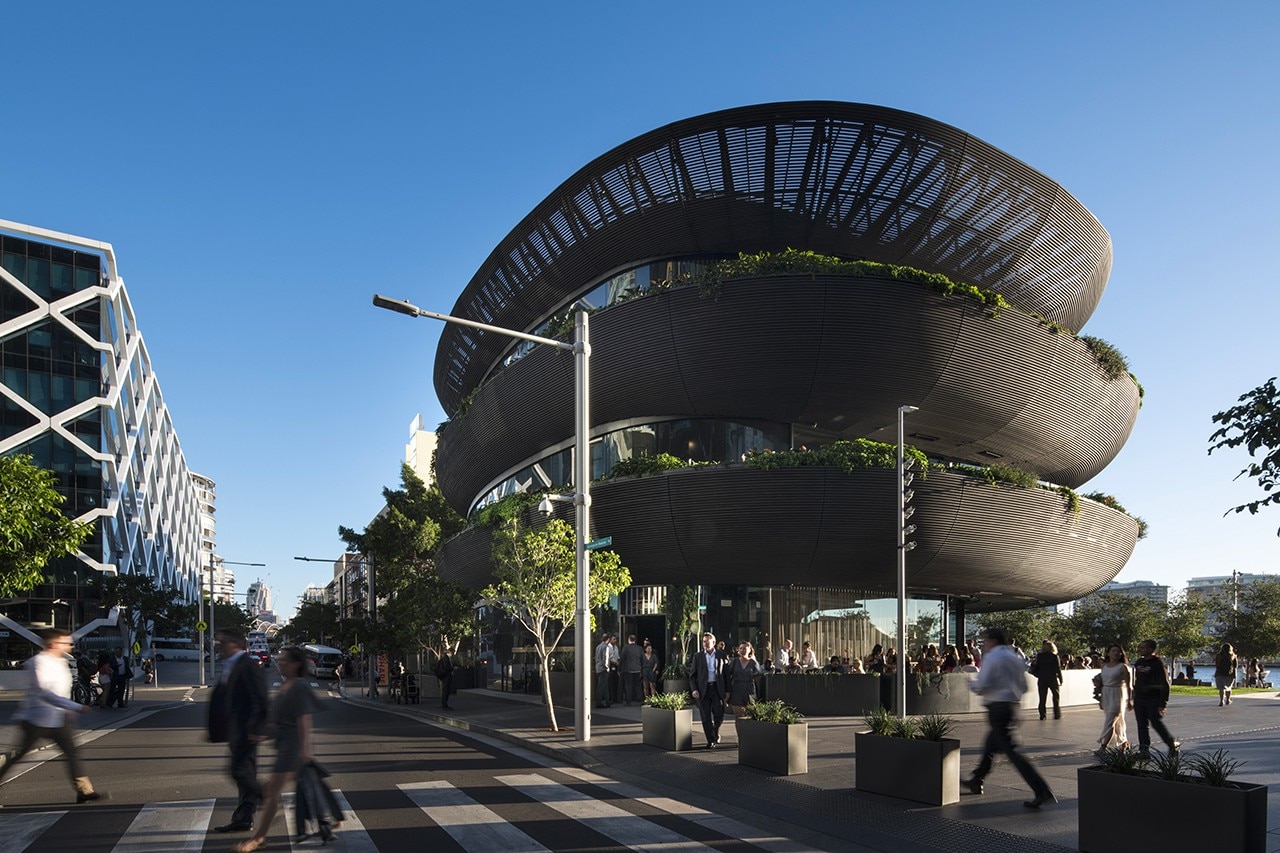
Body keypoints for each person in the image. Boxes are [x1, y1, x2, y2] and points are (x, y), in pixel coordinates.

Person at [233, 646, 332, 852]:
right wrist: (263, 735)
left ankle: (259, 837)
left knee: (271, 792)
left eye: (285, 660)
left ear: (296, 664)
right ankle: (328, 817)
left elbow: (304, 718)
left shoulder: (299, 687)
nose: (280, 662)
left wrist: (305, 749)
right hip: (285, 745)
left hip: (293, 748)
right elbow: (279, 720)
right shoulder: (285, 685)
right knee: (305, 786)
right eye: (280, 659)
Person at [0, 629, 102, 803]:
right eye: (67, 643)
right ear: (54, 644)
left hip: (58, 719)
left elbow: (61, 691)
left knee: (72, 753)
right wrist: (75, 706)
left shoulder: (61, 662)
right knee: (20, 755)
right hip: (36, 719)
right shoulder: (37, 663)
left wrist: (68, 710)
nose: (71, 646)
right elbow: (44, 693)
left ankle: (84, 790)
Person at [963, 627, 1056, 809]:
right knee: (991, 744)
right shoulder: (1015, 657)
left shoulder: (992, 657)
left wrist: (971, 684)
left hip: (998, 707)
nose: (984, 644)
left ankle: (1041, 790)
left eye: (986, 640)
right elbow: (1024, 685)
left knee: (1013, 752)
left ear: (993, 641)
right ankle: (977, 779)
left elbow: (982, 685)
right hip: (1012, 706)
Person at [208, 626, 269, 834]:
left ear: (233, 644)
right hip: (235, 730)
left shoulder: (248, 666)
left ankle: (267, 797)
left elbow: (261, 699)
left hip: (246, 731)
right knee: (245, 775)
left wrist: (256, 727)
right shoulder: (231, 665)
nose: (219, 647)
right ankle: (243, 818)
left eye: (222, 643)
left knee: (239, 771)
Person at [1131, 639, 1179, 756]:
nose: (1140, 649)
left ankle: (1171, 745)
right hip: (1140, 699)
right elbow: (1137, 680)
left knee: (1156, 723)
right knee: (1141, 724)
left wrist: (1163, 703)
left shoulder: (1157, 663)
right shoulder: (1139, 662)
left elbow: (1164, 683)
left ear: (1150, 649)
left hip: (1153, 699)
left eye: (1143, 648)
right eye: (1140, 647)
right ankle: (1144, 750)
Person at [688, 632, 727, 748]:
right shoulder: (698, 656)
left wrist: (728, 691)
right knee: (705, 717)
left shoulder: (721, 655)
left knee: (719, 714)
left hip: (717, 689)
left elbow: (726, 674)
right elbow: (692, 676)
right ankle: (710, 740)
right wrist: (694, 689)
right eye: (704, 641)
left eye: (707, 641)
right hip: (702, 690)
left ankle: (715, 732)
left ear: (713, 643)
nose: (705, 643)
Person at [1097, 644, 1131, 749]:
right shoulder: (1104, 666)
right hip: (1106, 693)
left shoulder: (1123, 667)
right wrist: (1100, 698)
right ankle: (1124, 742)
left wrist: (1129, 700)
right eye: (1113, 651)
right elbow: (1102, 682)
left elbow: (1129, 685)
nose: (1116, 653)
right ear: (1108, 653)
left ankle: (1103, 745)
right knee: (1117, 721)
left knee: (1111, 719)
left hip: (1118, 694)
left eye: (1118, 651)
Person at [727, 642, 764, 716]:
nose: (742, 650)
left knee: (748, 714)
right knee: (738, 715)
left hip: (749, 690)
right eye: (740, 648)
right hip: (736, 689)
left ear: (749, 650)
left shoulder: (753, 663)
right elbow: (727, 675)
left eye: (744, 648)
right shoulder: (734, 662)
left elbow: (759, 675)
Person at [1032, 641, 1063, 720]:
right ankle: (1056, 714)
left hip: (1042, 678)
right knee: (1056, 696)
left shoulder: (1040, 656)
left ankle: (1042, 715)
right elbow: (1058, 669)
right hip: (1052, 678)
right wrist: (1061, 679)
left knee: (1042, 698)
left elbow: (1036, 667)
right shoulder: (1054, 656)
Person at [619, 634, 644, 705]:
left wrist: (619, 669)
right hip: (637, 669)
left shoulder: (626, 648)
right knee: (638, 685)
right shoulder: (639, 648)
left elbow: (622, 659)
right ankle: (640, 699)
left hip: (628, 669)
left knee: (628, 685)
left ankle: (628, 701)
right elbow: (643, 659)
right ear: (635, 640)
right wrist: (641, 669)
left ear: (629, 640)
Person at [594, 633, 616, 708]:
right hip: (603, 669)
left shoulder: (598, 647)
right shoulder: (605, 647)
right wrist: (606, 667)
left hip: (598, 668)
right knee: (601, 686)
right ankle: (598, 702)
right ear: (608, 639)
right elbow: (605, 658)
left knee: (604, 685)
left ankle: (607, 701)